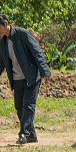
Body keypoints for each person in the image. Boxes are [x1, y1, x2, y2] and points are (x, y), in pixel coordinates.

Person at [0, 14, 50, 144]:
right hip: (17, 79)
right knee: (19, 107)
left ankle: (23, 133)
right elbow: (1, 62)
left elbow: (37, 52)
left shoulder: (23, 34)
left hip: (31, 76)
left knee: (28, 105)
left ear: (6, 23)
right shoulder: (2, 42)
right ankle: (31, 135)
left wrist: (45, 71)